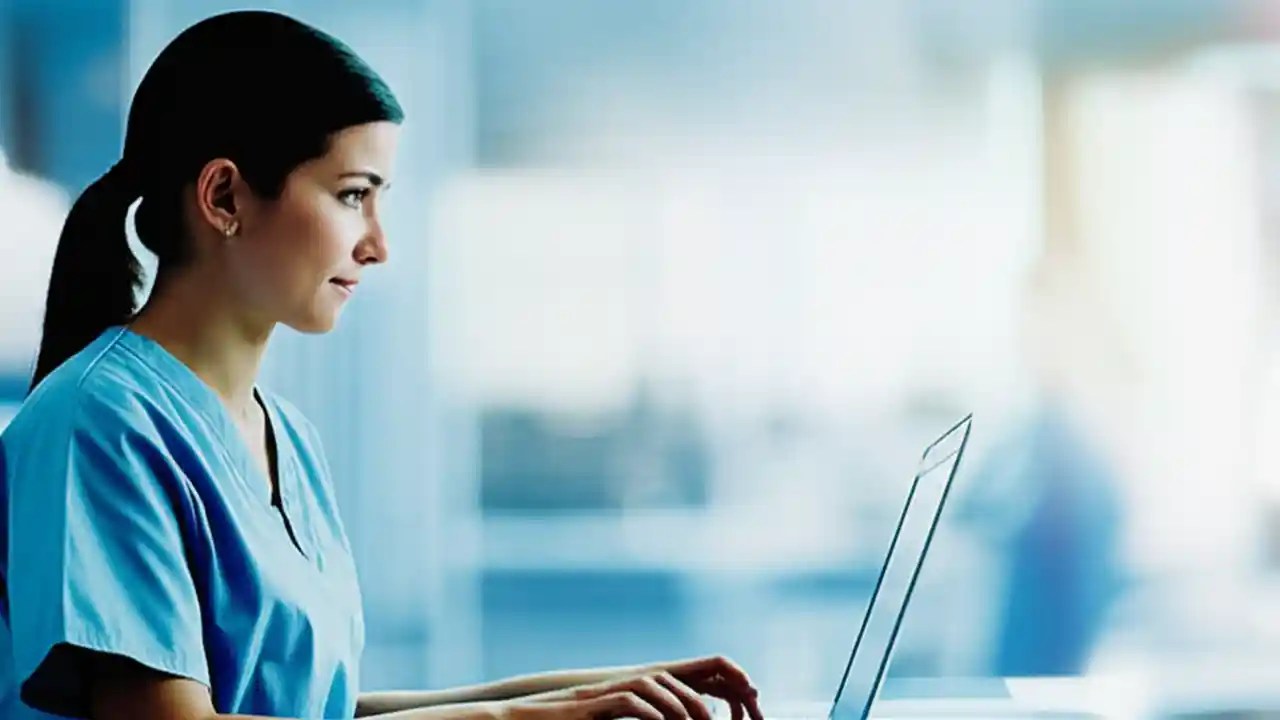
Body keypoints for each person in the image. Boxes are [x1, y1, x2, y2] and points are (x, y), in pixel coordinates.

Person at [0, 11, 764, 720]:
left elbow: (313, 712)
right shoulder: (98, 423)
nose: (377, 244)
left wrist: (598, 693)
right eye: (351, 195)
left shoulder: (285, 438)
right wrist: (520, 716)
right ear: (224, 195)